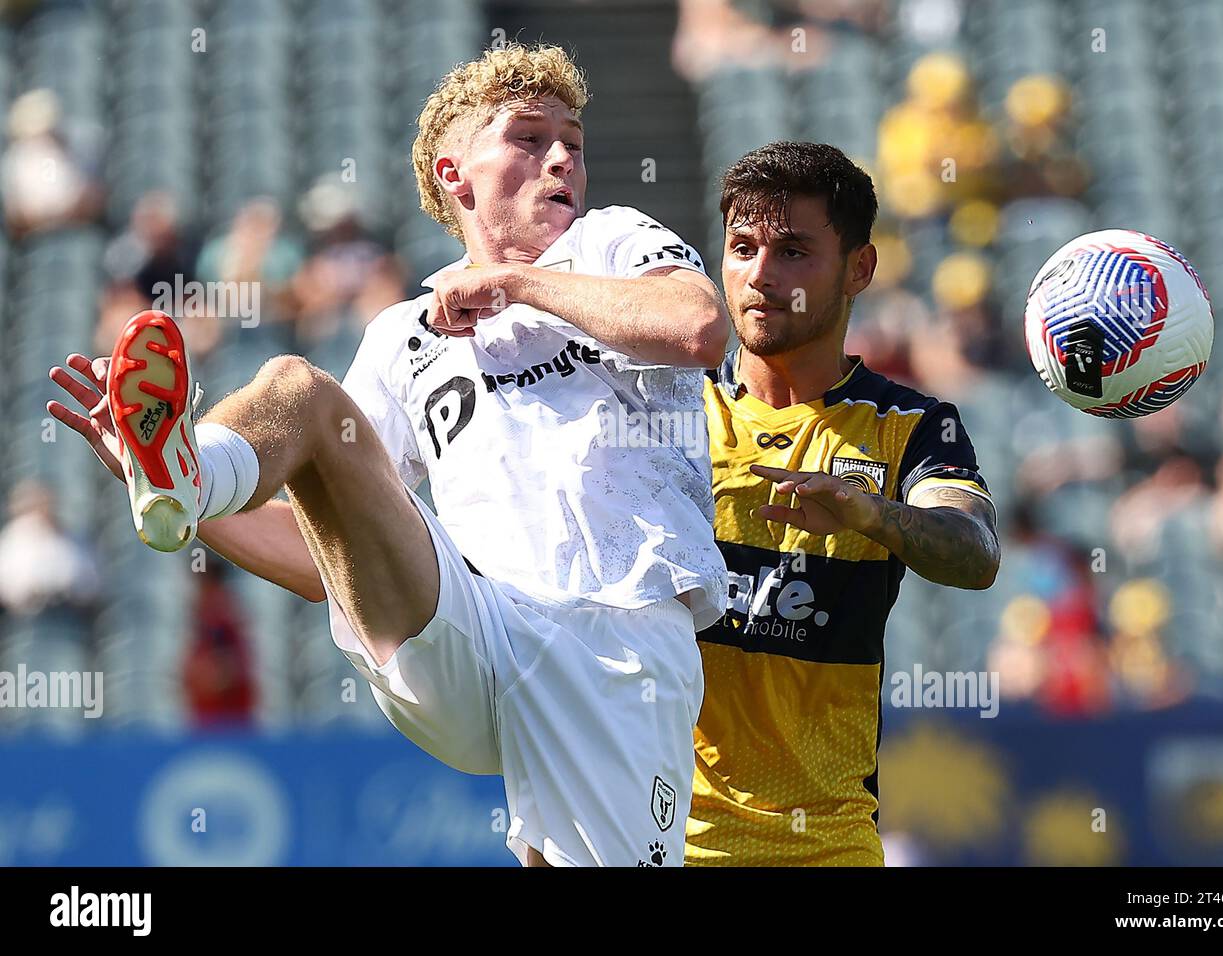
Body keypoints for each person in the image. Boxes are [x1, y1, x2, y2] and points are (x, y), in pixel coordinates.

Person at [48, 43, 729, 868]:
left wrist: (516, 284)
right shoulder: (404, 335)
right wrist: (182, 508)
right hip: (466, 624)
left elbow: (695, 328)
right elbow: (328, 552)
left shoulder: (613, 243)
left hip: (615, 633)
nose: (561, 160)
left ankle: (190, 476)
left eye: (573, 143)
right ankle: (191, 471)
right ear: (455, 174)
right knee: (298, 391)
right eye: (528, 137)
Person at [687, 141, 1001, 866]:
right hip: (663, 843)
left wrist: (871, 515)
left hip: (826, 848)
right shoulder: (667, 413)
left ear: (860, 267)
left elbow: (975, 553)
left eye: (793, 251)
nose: (760, 276)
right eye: (741, 248)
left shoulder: (911, 427)